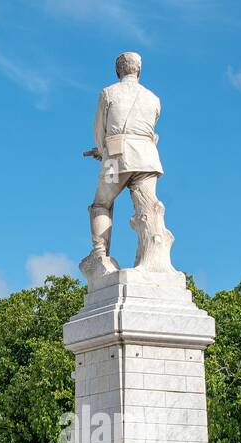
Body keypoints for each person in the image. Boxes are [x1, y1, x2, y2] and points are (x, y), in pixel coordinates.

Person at [81, 52, 170, 280]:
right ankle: (151, 256)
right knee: (148, 208)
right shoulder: (154, 98)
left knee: (101, 203)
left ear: (117, 70)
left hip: (115, 158)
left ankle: (100, 253)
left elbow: (99, 130)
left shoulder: (108, 93)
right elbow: (149, 130)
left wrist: (101, 151)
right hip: (148, 158)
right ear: (138, 70)